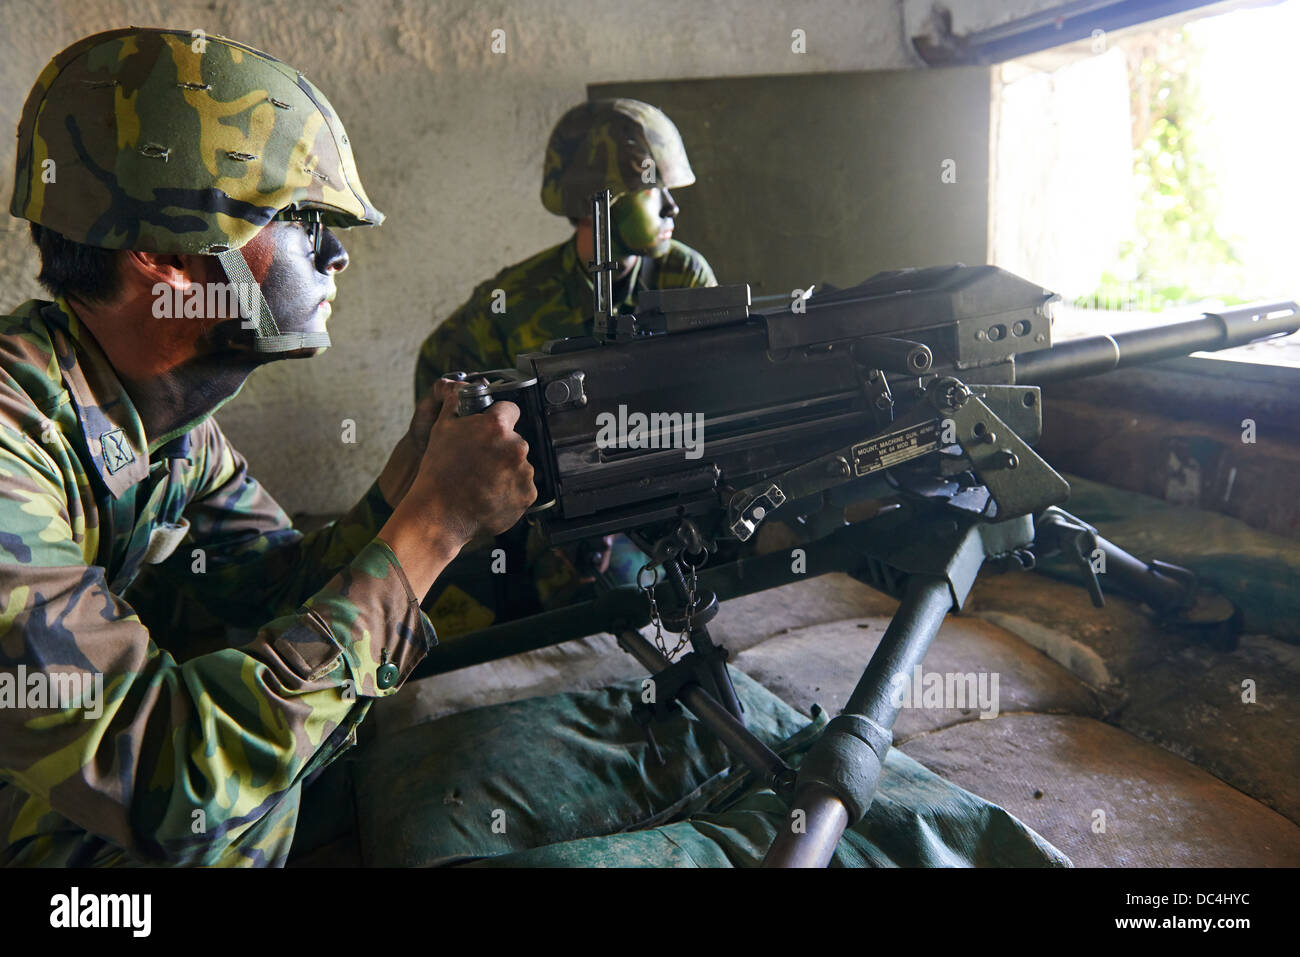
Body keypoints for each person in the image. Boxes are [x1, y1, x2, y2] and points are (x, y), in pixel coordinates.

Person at [0, 27, 535, 866]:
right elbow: (166, 773)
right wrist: (435, 528)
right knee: (226, 815)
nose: (336, 252)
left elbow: (267, 590)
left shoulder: (160, 415)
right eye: (296, 218)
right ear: (171, 256)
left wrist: (402, 492)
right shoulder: (10, 442)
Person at [413, 99, 717, 631]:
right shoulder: (516, 298)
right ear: (598, 202)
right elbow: (440, 378)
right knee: (587, 599)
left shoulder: (682, 277)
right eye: (652, 191)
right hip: (551, 512)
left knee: (656, 601)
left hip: (662, 499)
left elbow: (707, 399)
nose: (672, 208)